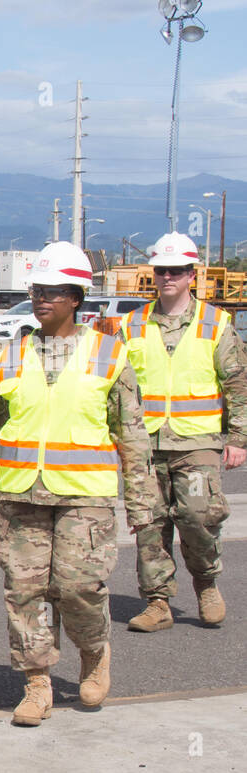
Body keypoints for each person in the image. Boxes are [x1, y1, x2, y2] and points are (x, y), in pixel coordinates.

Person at [0, 242, 161, 727]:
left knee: (77, 589)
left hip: (84, 499)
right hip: (19, 497)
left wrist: (142, 505)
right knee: (24, 593)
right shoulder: (9, 356)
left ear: (76, 297)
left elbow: (132, 435)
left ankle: (94, 655)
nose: (42, 298)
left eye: (54, 291)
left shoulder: (110, 355)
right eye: (37, 289)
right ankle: (36, 685)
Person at [117, 232, 247, 632]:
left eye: (175, 270)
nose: (167, 276)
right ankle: (158, 602)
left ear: (192, 275)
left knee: (197, 517)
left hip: (198, 441)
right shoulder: (132, 324)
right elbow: (116, 388)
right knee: (149, 524)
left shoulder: (216, 324)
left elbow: (238, 383)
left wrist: (239, 438)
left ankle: (206, 583)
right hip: (145, 443)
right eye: (160, 270)